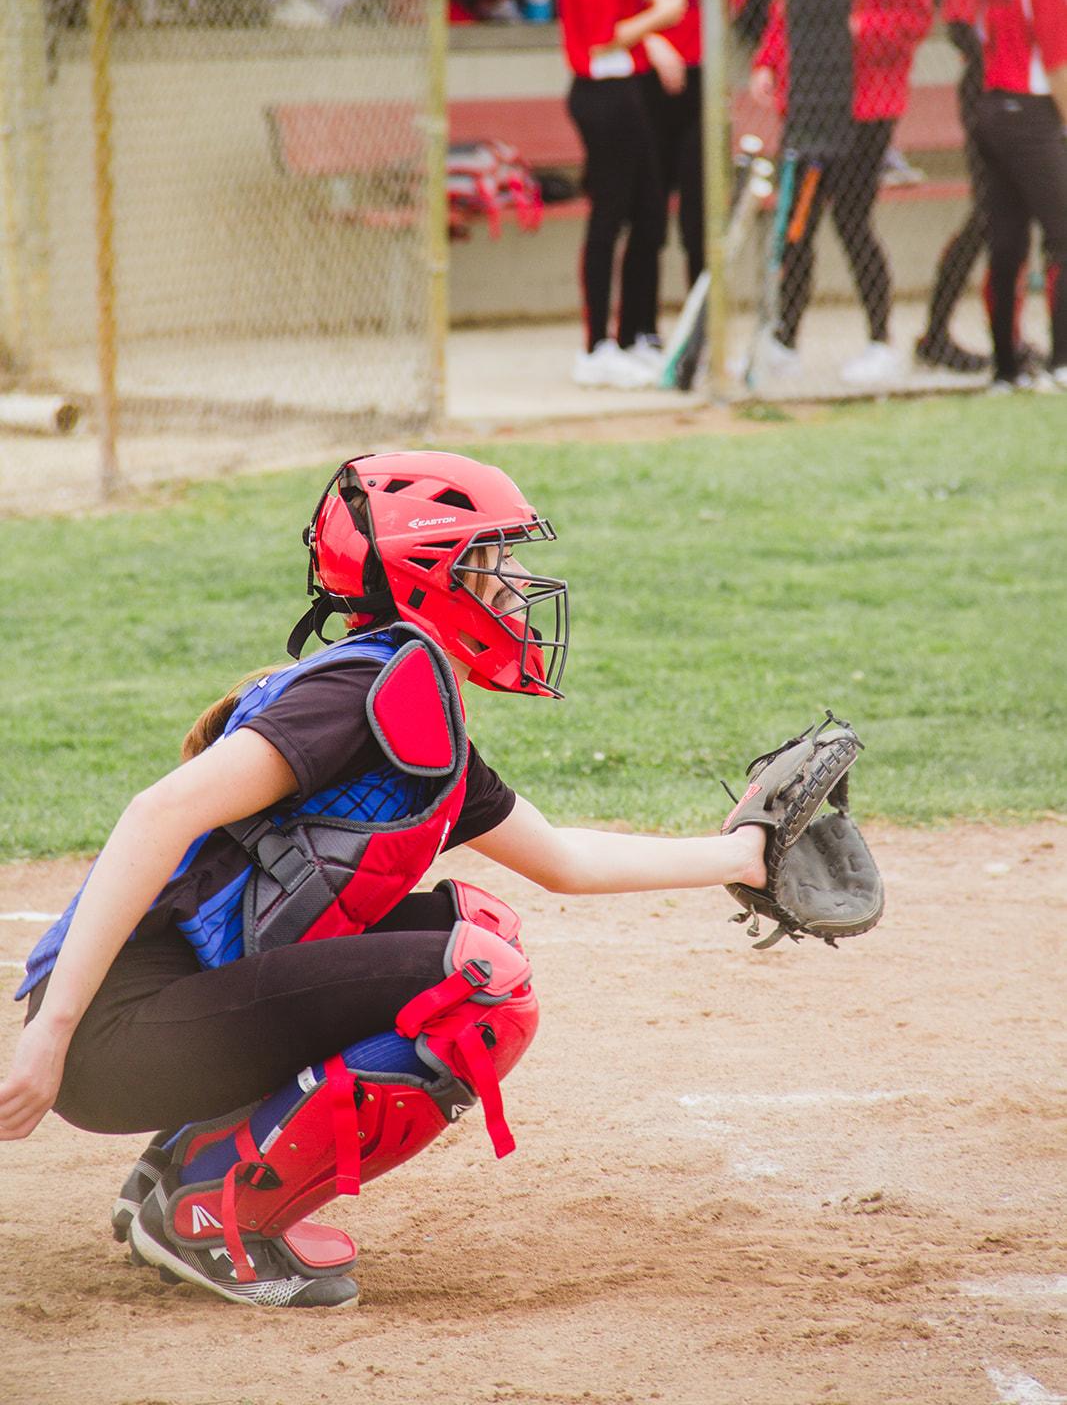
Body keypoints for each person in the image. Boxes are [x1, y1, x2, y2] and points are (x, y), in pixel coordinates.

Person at [0, 450, 770, 1309]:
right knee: (479, 984)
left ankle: (187, 1166)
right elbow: (155, 814)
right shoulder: (359, 694)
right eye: (495, 556)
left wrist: (739, 855)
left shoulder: (412, 702)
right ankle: (208, 1212)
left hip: (165, 1022)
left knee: (478, 929)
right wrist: (51, 1034)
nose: (517, 581)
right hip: (117, 1039)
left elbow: (564, 860)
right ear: (431, 572)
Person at [750, 0, 933, 389]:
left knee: (853, 221)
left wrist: (858, 30)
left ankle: (880, 341)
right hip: (811, 104)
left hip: (866, 108)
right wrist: (767, 62)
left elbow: (915, 17)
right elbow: (788, 13)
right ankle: (783, 341)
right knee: (795, 227)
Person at [915, 0, 1067, 376]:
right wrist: (1004, 81)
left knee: (1043, 224)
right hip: (1002, 93)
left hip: (1040, 88)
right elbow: (959, 24)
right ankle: (946, 331)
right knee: (996, 222)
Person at [558, 0, 688, 389]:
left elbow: (624, 2)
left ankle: (634, 336)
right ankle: (596, 348)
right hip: (601, 95)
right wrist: (661, 17)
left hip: (624, 91)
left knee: (650, 213)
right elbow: (598, 39)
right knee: (608, 219)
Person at [625, 0, 745, 321]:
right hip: (647, 89)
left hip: (699, 88)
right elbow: (610, 22)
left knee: (699, 220)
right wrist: (653, 40)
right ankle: (640, 330)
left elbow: (735, 11)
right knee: (647, 219)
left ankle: (702, 330)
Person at [976, 0, 1067, 392]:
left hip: (993, 112)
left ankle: (1005, 371)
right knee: (1064, 238)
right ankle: (1060, 362)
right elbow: (1055, 63)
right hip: (1031, 116)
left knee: (1007, 243)